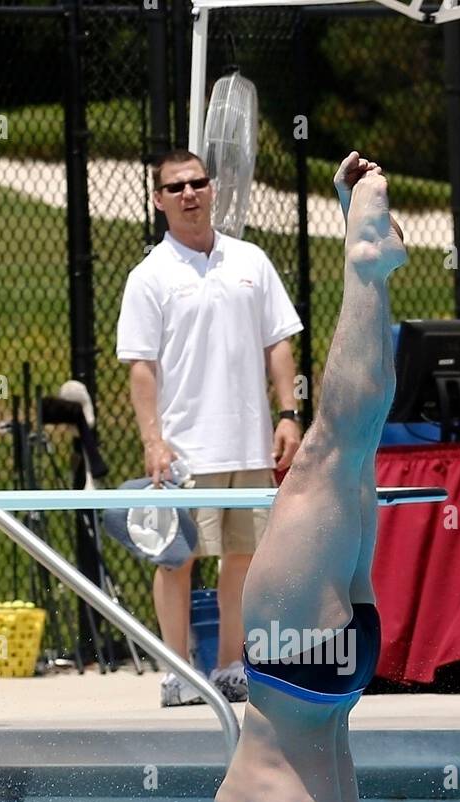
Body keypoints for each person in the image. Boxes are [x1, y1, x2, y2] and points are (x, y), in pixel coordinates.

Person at [211, 152, 406, 802]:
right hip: (307, 684)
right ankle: (362, 261)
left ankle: (364, 258)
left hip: (323, 684)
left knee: (343, 446)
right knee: (343, 448)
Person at [116, 149, 304, 707]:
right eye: (175, 188)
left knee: (243, 560)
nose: (189, 194)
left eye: (198, 183)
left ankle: (229, 667)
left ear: (213, 188)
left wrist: (289, 413)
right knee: (177, 559)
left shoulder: (251, 261)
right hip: (185, 452)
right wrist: (153, 439)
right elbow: (141, 368)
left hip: (248, 441)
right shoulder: (149, 276)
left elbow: (279, 344)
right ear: (158, 201)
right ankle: (177, 674)